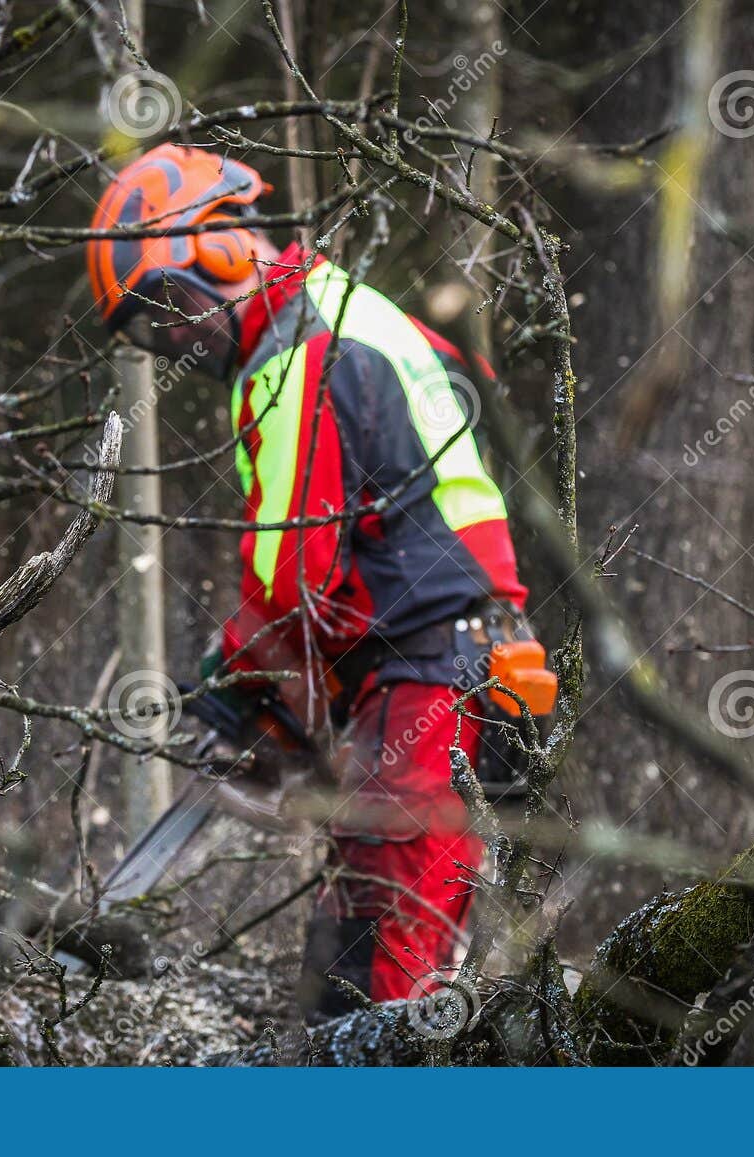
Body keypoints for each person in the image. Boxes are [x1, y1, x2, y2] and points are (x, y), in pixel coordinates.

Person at [86, 144, 542, 1021]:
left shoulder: (306, 350)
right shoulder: (342, 316)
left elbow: (297, 578)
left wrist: (243, 687)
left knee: (390, 980)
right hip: (433, 669)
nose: (176, 335)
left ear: (222, 249)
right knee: (345, 972)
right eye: (155, 323)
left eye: (172, 304)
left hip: (438, 679)